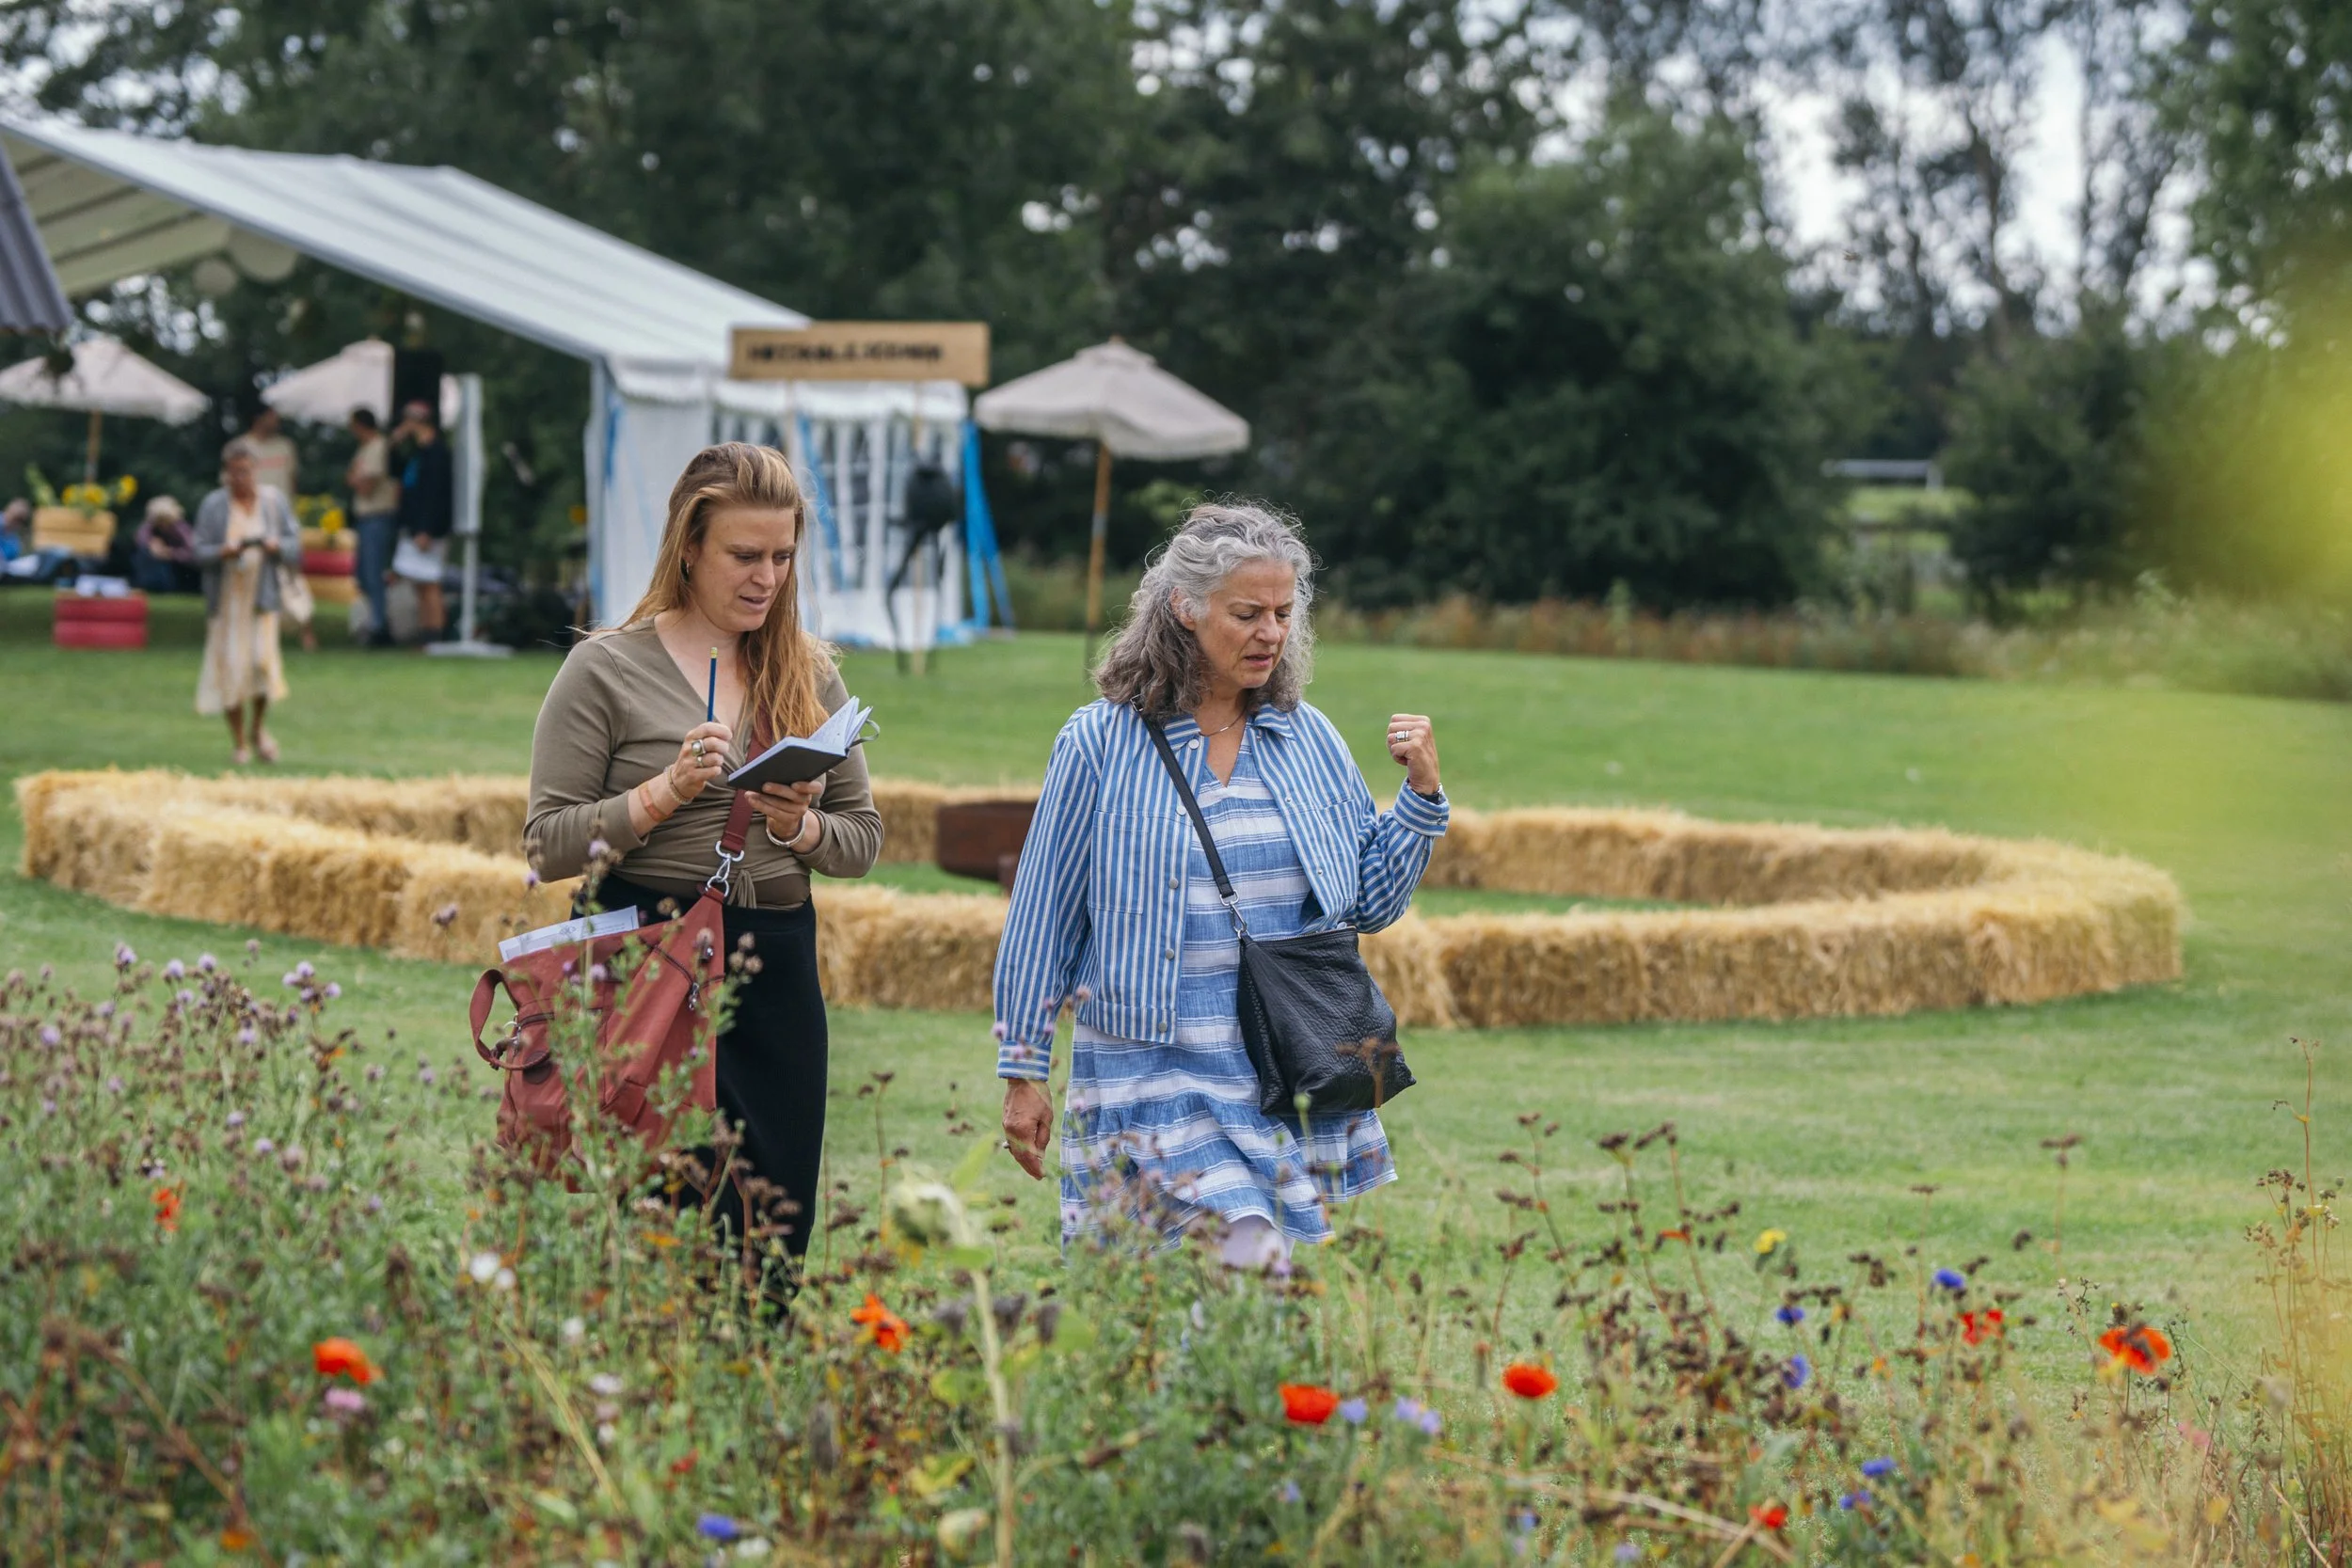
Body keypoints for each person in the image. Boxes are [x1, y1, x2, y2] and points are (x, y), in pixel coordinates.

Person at [993, 502, 1448, 1269]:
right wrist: (1023, 1069)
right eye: (1248, 612)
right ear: (1186, 607)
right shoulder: (1099, 742)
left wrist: (1420, 800)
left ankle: (1219, 1393)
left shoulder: (1308, 740)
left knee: (1230, 1280)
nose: (1271, 631)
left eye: (1282, 611)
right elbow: (1046, 917)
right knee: (1238, 1259)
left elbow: (1367, 904)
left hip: (1272, 1060)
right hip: (1147, 1060)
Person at [525, 441, 883, 1274]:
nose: (767, 577)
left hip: (775, 963)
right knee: (650, 1205)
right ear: (689, 546)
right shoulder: (604, 668)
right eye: (745, 555)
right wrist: (666, 791)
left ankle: (750, 1381)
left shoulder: (810, 671)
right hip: (644, 947)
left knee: (771, 1222)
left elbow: (861, 839)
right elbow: (546, 845)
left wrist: (800, 828)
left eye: (784, 556)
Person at [192, 440, 302, 765]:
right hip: (226, 603)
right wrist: (222, 552)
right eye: (234, 472)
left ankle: (258, 729)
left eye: (246, 471)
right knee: (230, 669)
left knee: (260, 664)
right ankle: (239, 742)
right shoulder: (213, 506)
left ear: (257, 471)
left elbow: (295, 545)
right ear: (226, 474)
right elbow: (197, 552)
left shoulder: (273, 502)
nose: (241, 478)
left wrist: (274, 545)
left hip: (261, 599)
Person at [390, 400, 453, 641]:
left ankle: (435, 633)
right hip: (414, 525)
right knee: (419, 582)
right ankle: (426, 631)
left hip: (428, 529)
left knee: (430, 582)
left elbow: (434, 495)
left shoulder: (436, 453)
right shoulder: (418, 452)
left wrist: (425, 529)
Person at [345, 406, 401, 646]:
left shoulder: (378, 447)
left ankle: (380, 627)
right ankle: (373, 621)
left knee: (373, 573)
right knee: (363, 574)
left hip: (377, 516)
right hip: (366, 518)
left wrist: (356, 479)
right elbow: (352, 478)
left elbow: (365, 486)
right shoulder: (365, 449)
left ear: (359, 425)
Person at [131, 495, 199, 594]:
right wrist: (152, 546)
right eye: (159, 520)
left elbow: (191, 551)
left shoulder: (181, 528)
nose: (162, 524)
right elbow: (140, 539)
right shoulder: (150, 527)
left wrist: (171, 553)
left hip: (179, 568)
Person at [244, 406, 299, 505]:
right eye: (271, 415)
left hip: (280, 514)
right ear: (259, 417)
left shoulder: (285, 446)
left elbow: (292, 482)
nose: (277, 419)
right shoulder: (240, 448)